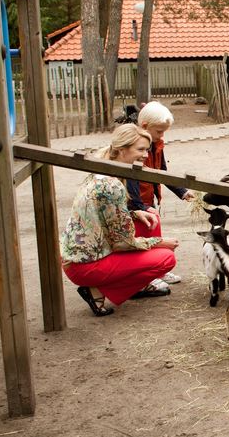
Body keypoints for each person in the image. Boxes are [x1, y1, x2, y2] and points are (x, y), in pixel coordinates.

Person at [61, 124, 181, 317]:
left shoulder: (101, 168)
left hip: (79, 256)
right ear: (121, 149)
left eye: (146, 150)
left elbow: (109, 215)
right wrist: (160, 243)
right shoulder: (112, 185)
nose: (145, 155)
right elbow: (122, 243)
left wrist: (135, 213)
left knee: (149, 219)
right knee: (166, 258)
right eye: (140, 150)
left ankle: (121, 285)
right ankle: (98, 290)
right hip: (85, 266)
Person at [125, 100, 196, 291]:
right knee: (141, 238)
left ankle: (158, 270)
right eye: (159, 131)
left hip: (148, 198)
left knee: (154, 232)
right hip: (135, 202)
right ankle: (148, 275)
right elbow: (129, 177)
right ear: (145, 127)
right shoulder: (134, 146)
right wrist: (137, 206)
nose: (162, 135)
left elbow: (162, 171)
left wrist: (182, 191)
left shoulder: (156, 144)